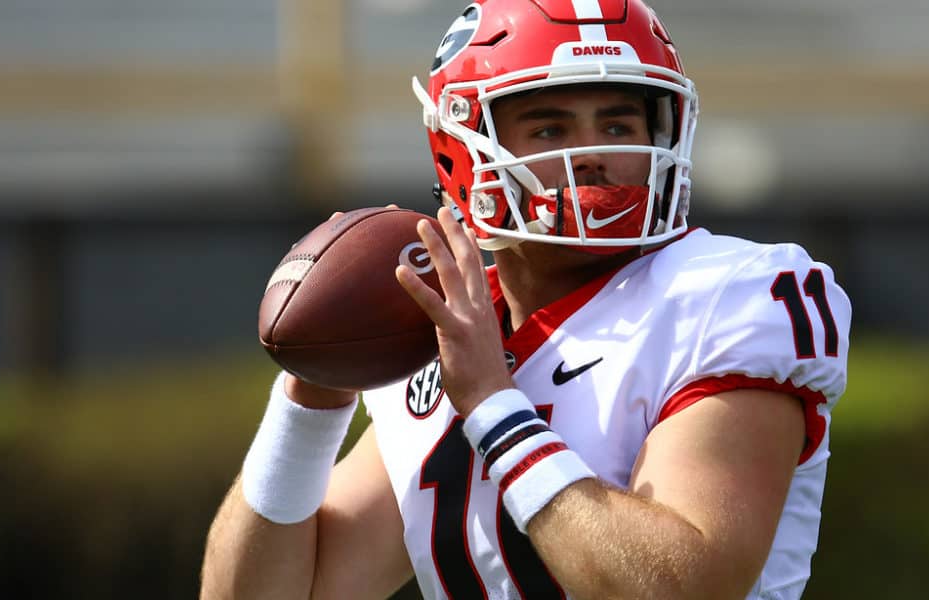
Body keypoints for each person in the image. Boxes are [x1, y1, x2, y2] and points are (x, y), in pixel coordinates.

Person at [200, 1, 851, 598]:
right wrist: (311, 398)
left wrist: (494, 406)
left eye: (619, 123)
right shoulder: (441, 327)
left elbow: (680, 590)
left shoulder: (728, 296)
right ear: (463, 152)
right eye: (549, 128)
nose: (595, 154)